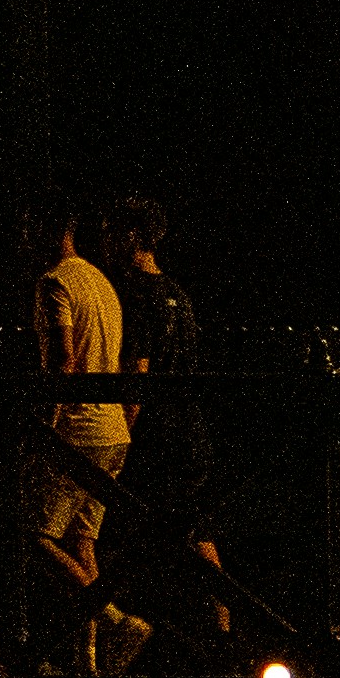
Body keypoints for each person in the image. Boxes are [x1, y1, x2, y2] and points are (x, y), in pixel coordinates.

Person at [103, 193, 226, 650]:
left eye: (113, 232)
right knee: (197, 532)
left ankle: (112, 631)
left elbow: (136, 373)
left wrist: (126, 435)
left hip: (155, 436)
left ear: (132, 236)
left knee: (117, 532)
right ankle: (223, 630)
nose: (107, 242)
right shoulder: (178, 294)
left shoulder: (134, 294)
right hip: (190, 429)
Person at [25, 198, 143, 674]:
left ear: (48, 232)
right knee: (82, 543)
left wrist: (45, 430)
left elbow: (62, 362)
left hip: (77, 430)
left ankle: (113, 619)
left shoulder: (55, 283)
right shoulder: (101, 282)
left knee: (35, 536)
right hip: (113, 429)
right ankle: (88, 660)